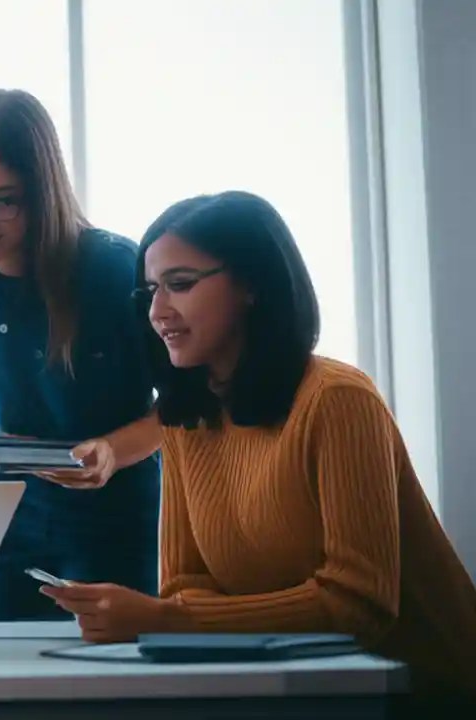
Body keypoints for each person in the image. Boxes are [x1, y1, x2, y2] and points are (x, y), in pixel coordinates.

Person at [40, 191, 476, 696]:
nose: (157, 311)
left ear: (251, 285)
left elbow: (361, 604)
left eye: (179, 285)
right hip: (298, 691)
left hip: (427, 690)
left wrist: (167, 619)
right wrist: (168, 614)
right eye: (149, 292)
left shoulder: (338, 400)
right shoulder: (186, 415)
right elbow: (186, 583)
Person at [0, 88, 162, 622]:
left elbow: (188, 401)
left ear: (42, 194)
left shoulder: (112, 269)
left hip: (114, 526)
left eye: (1, 201)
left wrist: (111, 451)